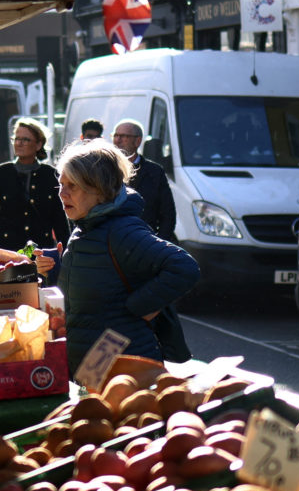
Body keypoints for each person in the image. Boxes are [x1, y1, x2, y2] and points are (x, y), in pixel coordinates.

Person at [55, 140, 199, 372]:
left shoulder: (122, 230)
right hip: (95, 365)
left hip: (123, 365)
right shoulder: (87, 226)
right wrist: (54, 268)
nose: (63, 193)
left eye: (72, 185)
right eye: (61, 184)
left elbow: (184, 267)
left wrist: (138, 307)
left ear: (99, 190)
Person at [0, 118, 70, 253]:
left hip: (41, 252)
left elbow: (59, 219)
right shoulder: (0, 174)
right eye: (16, 138)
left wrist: (66, 252)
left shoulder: (51, 175)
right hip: (8, 251)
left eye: (25, 139)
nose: (19, 143)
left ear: (38, 145)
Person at [112, 119, 176, 242]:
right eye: (115, 135)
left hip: (144, 242)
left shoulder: (155, 172)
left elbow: (168, 215)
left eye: (123, 136)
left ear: (137, 141)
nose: (117, 140)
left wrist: (157, 243)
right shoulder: (103, 169)